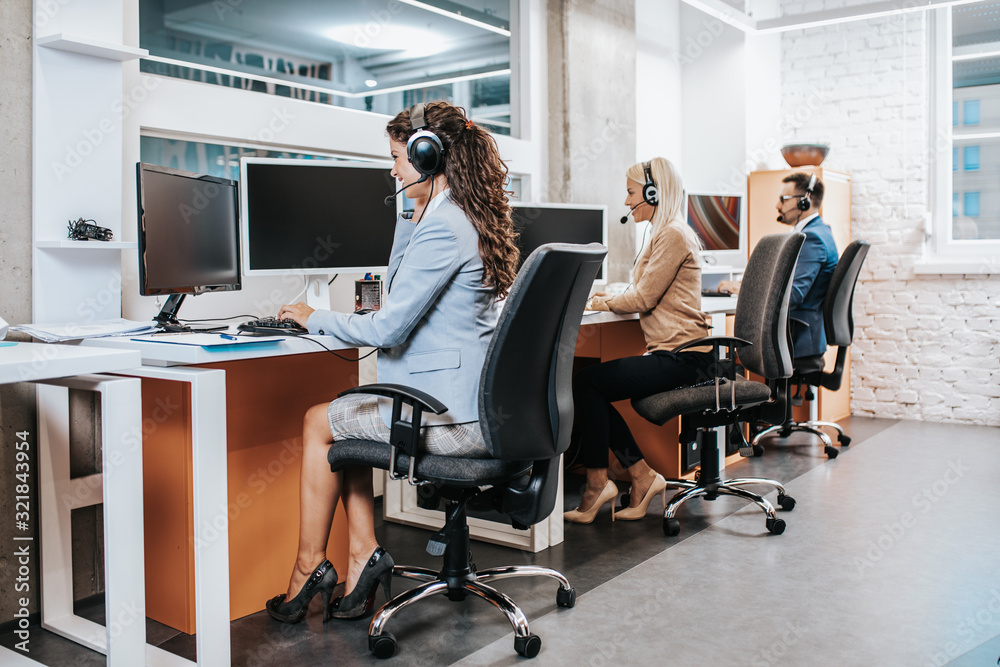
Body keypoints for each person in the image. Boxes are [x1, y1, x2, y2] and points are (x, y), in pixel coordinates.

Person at [265, 101, 519, 623]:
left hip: (453, 420)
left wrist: (313, 317)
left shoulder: (445, 227)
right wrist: (410, 209)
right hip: (480, 408)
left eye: (398, 159)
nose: (392, 170)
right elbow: (399, 281)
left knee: (319, 422)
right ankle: (362, 556)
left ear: (428, 157)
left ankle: (308, 567)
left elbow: (386, 327)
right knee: (348, 419)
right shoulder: (462, 216)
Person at [566, 157, 715, 524]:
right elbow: (644, 292)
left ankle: (604, 482)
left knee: (586, 383)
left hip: (684, 357)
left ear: (653, 192)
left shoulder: (673, 235)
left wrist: (597, 300)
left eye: (631, 192)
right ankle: (638, 476)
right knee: (590, 384)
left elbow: (643, 298)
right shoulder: (666, 234)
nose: (626, 201)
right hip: (674, 353)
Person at [717, 172, 839, 359]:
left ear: (804, 202)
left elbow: (793, 295)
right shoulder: (818, 232)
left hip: (796, 339)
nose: (777, 205)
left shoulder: (812, 239)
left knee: (725, 355)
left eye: (783, 199)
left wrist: (745, 290)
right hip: (798, 335)